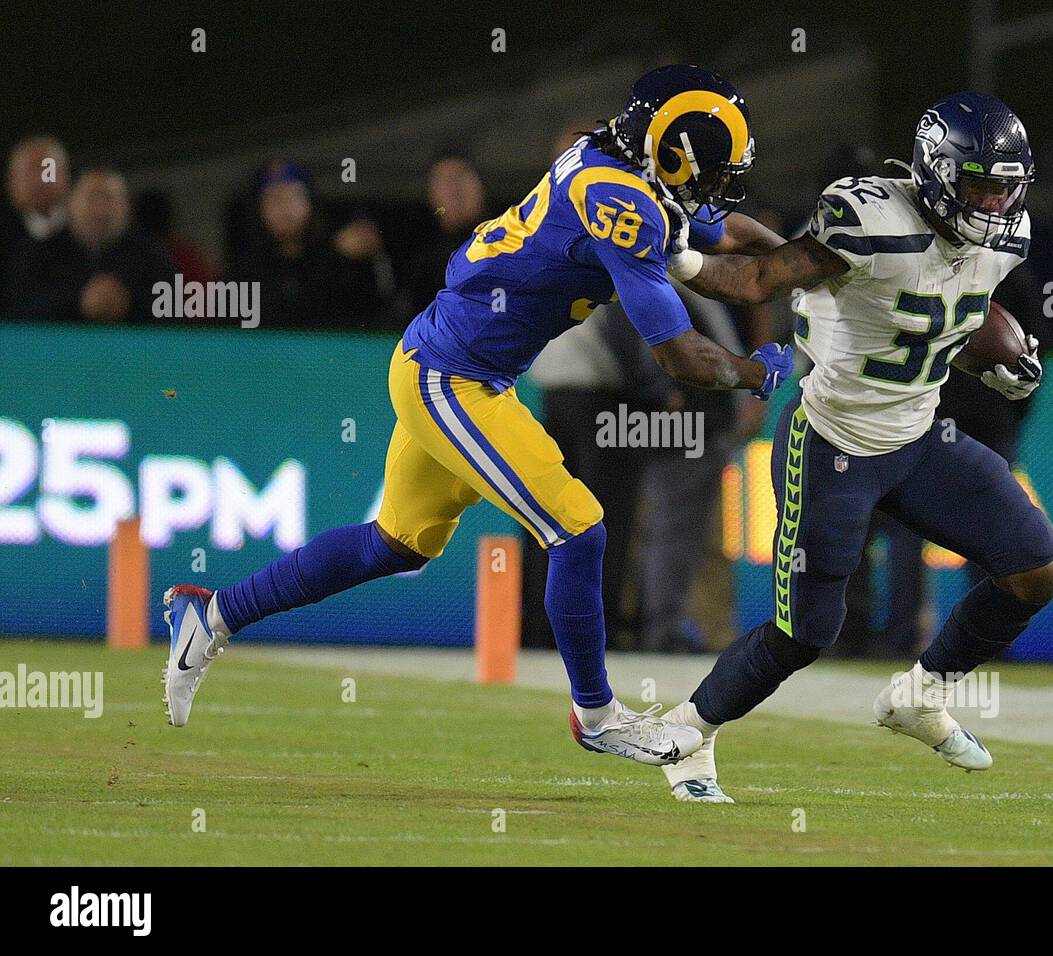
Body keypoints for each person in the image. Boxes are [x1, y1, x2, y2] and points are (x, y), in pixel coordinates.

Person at [159, 65, 794, 770]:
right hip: (451, 379)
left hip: (454, 366)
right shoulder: (618, 198)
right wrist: (750, 373)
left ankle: (210, 615)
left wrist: (809, 260)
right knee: (578, 527)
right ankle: (597, 716)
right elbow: (678, 354)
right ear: (668, 152)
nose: (714, 186)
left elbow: (721, 237)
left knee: (394, 545)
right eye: (710, 170)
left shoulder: (618, 167)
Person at [657, 92, 1053, 803]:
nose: (995, 200)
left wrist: (990, 355)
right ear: (938, 173)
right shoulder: (869, 218)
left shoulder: (1005, 236)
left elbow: (937, 316)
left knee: (1035, 570)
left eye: (1006, 185)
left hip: (919, 437)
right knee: (806, 633)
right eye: (979, 183)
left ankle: (920, 693)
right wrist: (670, 258)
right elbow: (756, 277)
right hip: (833, 442)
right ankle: (686, 736)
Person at [229, 161, 395, 328]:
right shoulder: (244, 270)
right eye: (273, 198)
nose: (284, 208)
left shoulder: (341, 261)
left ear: (310, 202)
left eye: (293, 196)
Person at [3, 168, 173, 324]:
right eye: (92, 197)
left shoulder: (151, 255)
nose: (101, 210)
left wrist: (127, 303)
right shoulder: (39, 253)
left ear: (125, 207)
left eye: (110, 198)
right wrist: (79, 302)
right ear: (70, 203)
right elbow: (18, 310)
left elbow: (175, 313)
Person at [402, 153, 488, 314]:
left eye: (461, 177)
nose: (454, 189)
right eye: (444, 180)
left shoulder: (509, 240)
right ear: (430, 193)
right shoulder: (417, 254)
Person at [1, 136, 71, 304]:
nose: (41, 179)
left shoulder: (86, 232)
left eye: (48, 170)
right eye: (31, 171)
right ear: (11, 182)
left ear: (66, 175)